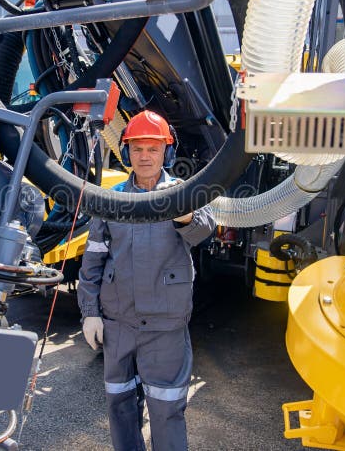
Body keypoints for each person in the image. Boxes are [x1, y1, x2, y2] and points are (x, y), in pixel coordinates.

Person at [77, 110, 215, 450]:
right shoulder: (112, 199)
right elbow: (93, 259)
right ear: (127, 153)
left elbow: (205, 230)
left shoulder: (182, 192)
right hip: (118, 325)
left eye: (153, 148)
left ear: (166, 152)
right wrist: (89, 312)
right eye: (137, 148)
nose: (144, 156)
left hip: (165, 327)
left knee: (167, 409)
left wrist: (186, 215)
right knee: (120, 405)